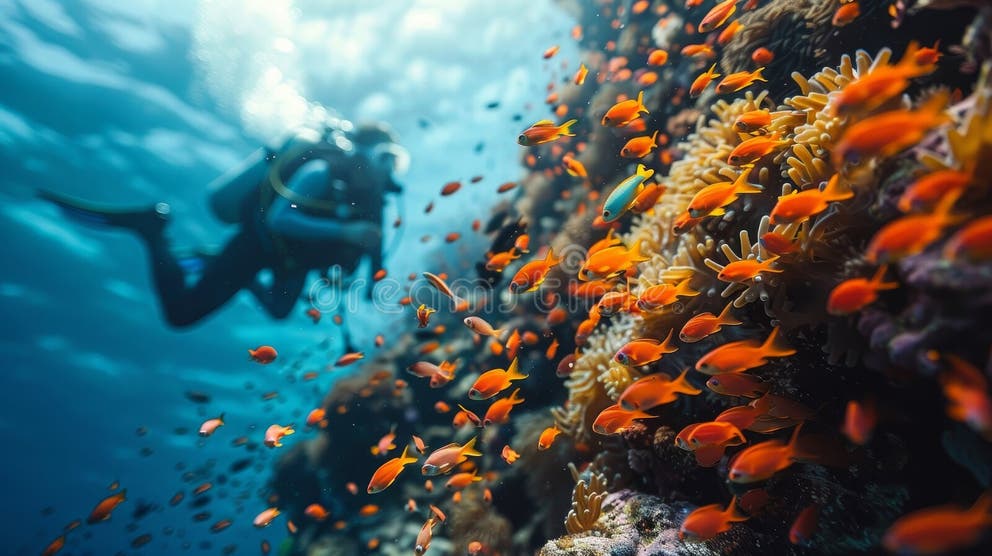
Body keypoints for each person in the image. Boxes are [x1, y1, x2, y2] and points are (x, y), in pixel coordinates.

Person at [40, 116, 405, 328]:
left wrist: (374, 281)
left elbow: (374, 258)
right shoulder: (324, 169)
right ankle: (152, 230)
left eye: (397, 161)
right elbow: (279, 218)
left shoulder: (373, 204)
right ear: (362, 151)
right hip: (259, 244)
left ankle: (220, 266)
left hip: (291, 259)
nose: (389, 169)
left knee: (279, 311)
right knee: (181, 315)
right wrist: (347, 232)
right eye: (385, 156)